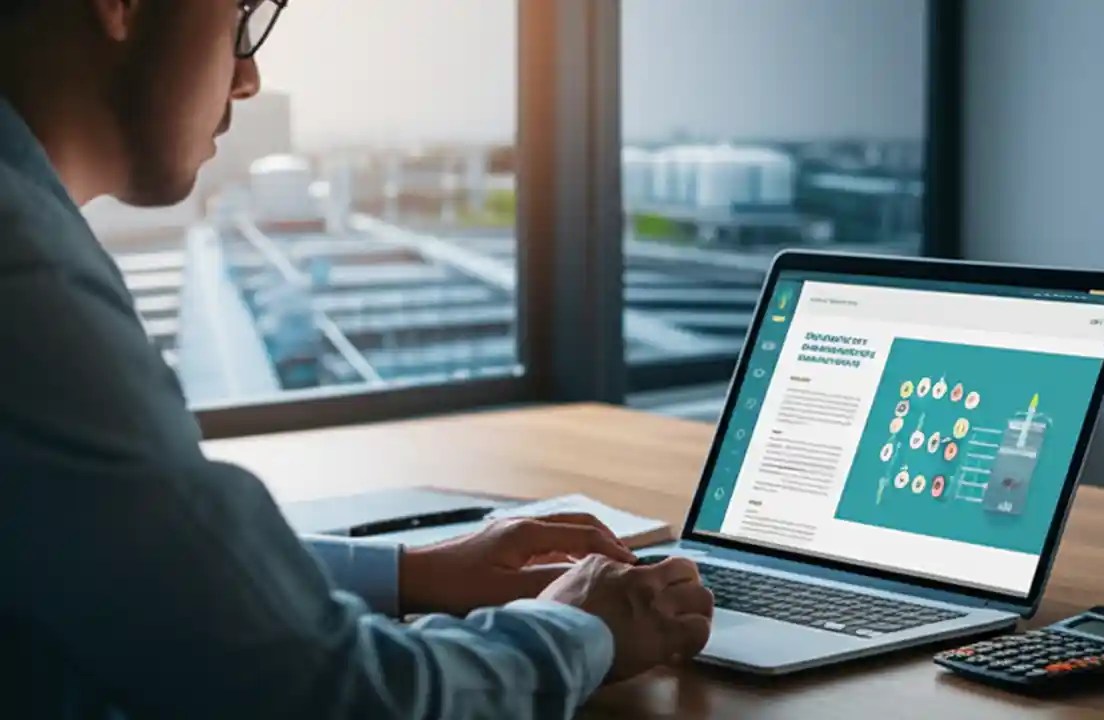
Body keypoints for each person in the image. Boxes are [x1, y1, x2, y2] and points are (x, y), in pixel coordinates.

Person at [0, 1, 714, 718]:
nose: (247, 76)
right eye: (238, 18)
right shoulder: (25, 272)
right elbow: (326, 695)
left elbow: (140, 572)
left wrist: (414, 573)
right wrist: (581, 628)